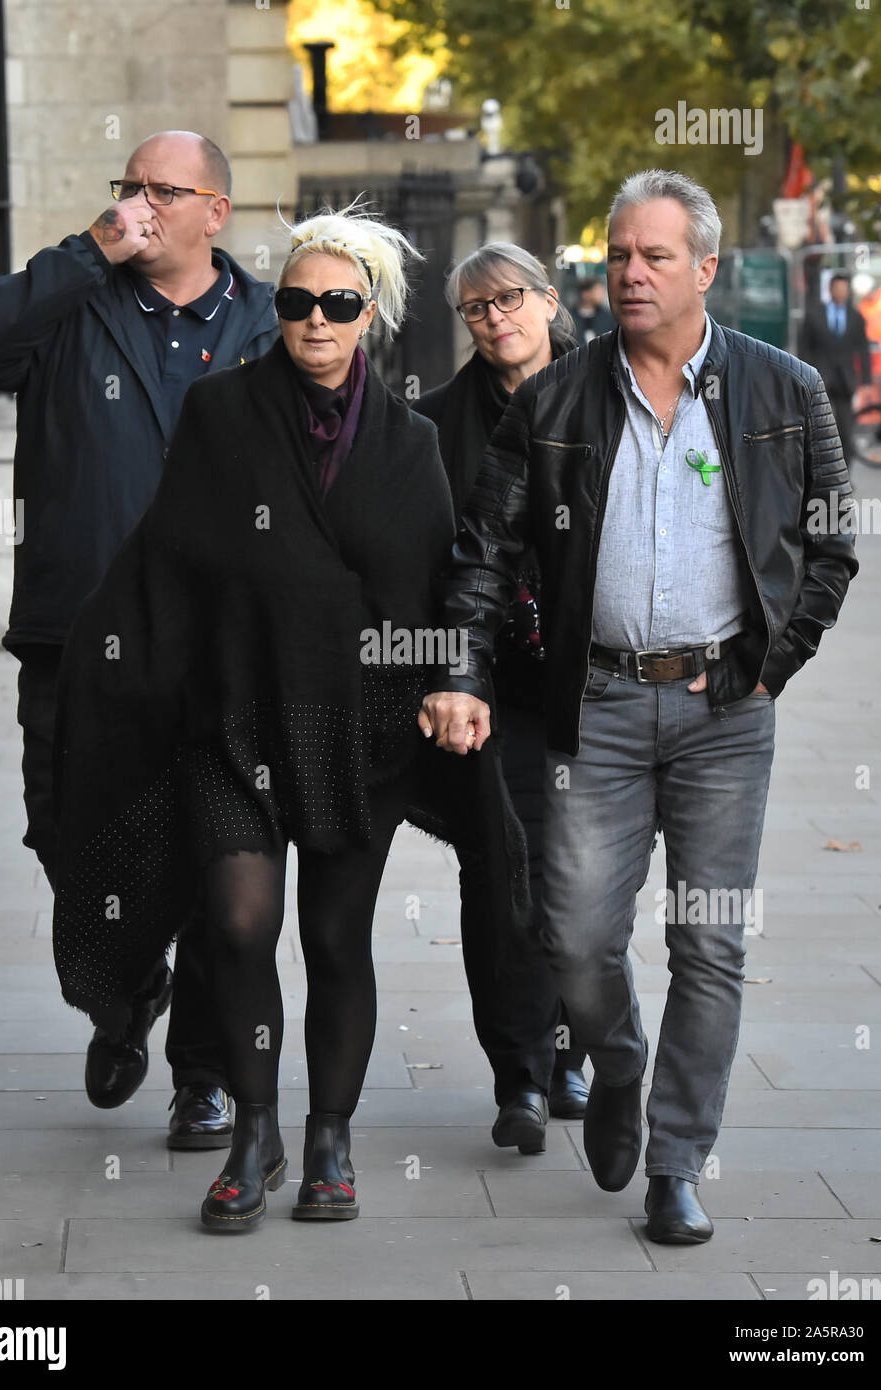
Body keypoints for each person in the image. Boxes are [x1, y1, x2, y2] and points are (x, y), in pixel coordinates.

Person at [50, 206, 528, 1233]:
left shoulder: (409, 442)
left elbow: (436, 586)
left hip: (364, 729)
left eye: (338, 303)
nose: (315, 319)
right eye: (299, 301)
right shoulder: (222, 413)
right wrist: (115, 664)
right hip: (234, 718)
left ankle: (330, 1144)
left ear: (370, 317)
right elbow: (168, 557)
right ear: (283, 310)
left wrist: (455, 684)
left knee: (334, 937)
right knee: (236, 922)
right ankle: (254, 1131)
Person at [420, 169, 857, 1244]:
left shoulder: (783, 389)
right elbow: (485, 551)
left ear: (705, 268)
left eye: (654, 255)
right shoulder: (557, 399)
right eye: (618, 255)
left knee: (710, 944)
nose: (630, 273)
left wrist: (772, 662)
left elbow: (833, 542)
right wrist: (462, 674)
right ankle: (616, 1061)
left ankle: (676, 1162)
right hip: (597, 704)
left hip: (724, 711)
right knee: (571, 936)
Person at [0, 130, 279, 1151]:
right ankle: (129, 989)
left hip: (218, 643)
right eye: (126, 187)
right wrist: (87, 250)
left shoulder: (268, 321)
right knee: (68, 837)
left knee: (223, 856)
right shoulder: (71, 298)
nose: (139, 203)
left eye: (162, 191)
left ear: (214, 211)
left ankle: (207, 1080)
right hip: (74, 634)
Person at [414, 242, 589, 1154]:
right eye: (476, 309)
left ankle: (571, 1045)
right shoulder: (437, 422)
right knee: (504, 871)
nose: (494, 319)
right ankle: (519, 1074)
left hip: (598, 680)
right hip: (494, 687)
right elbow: (427, 560)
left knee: (582, 873)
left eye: (509, 300)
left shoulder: (611, 394)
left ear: (548, 300)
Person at [798, 271, 872, 466]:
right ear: (830, 290)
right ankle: (818, 474)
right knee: (819, 429)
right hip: (820, 377)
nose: (840, 292)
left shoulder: (856, 317)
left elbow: (863, 348)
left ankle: (844, 474)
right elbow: (804, 346)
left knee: (846, 431)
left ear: (848, 291)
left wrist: (866, 380)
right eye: (836, 288)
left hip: (846, 381)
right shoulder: (815, 314)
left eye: (844, 288)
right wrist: (804, 375)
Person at [573, 277, 615, 344]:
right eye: (598, 292)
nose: (602, 295)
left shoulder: (608, 317)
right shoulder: (570, 318)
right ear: (585, 294)